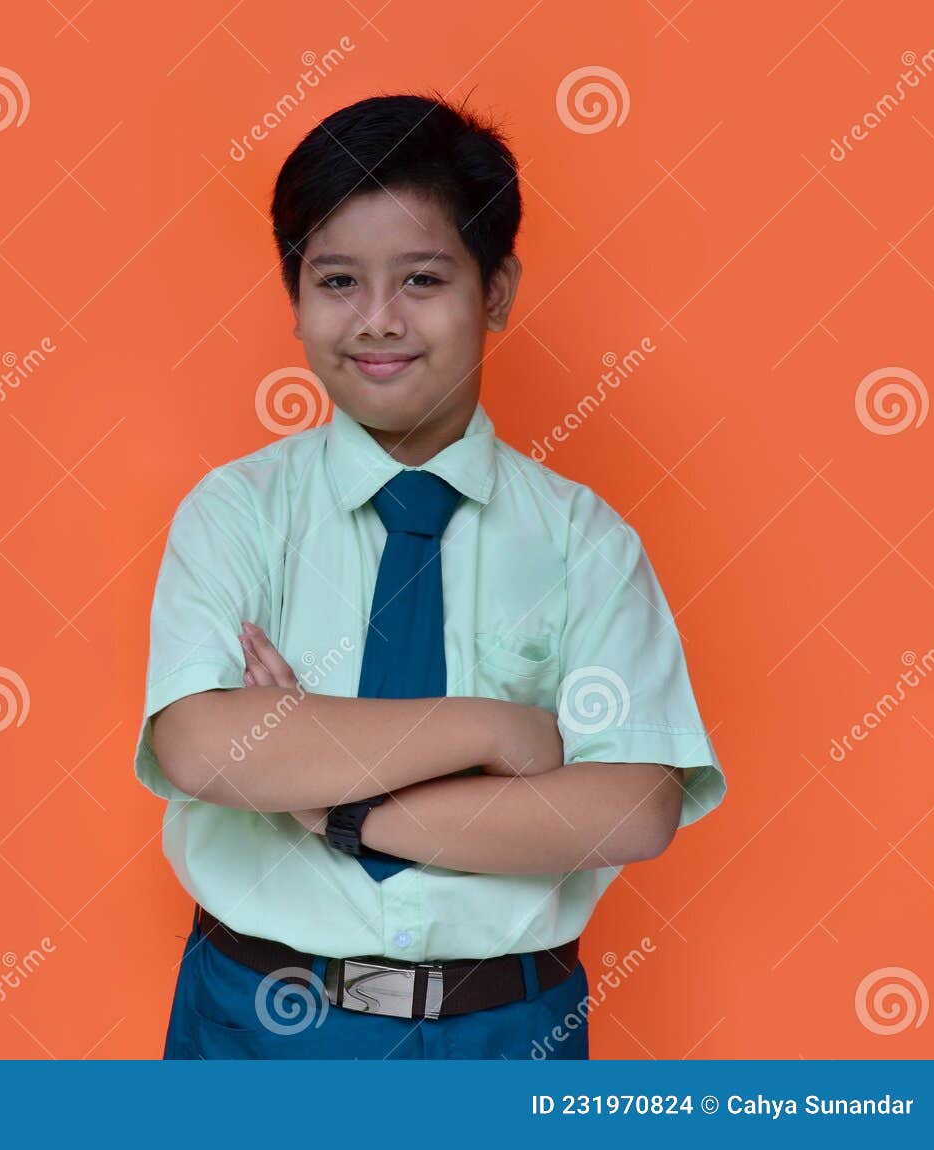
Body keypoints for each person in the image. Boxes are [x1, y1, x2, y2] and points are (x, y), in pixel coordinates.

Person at [133, 92, 726, 1059]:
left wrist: (329, 801)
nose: (377, 321)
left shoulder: (585, 542)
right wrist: (492, 729)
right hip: (258, 1022)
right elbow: (202, 745)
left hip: (505, 1031)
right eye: (335, 282)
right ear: (294, 299)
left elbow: (629, 806)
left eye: (421, 279)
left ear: (495, 291)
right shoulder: (237, 512)